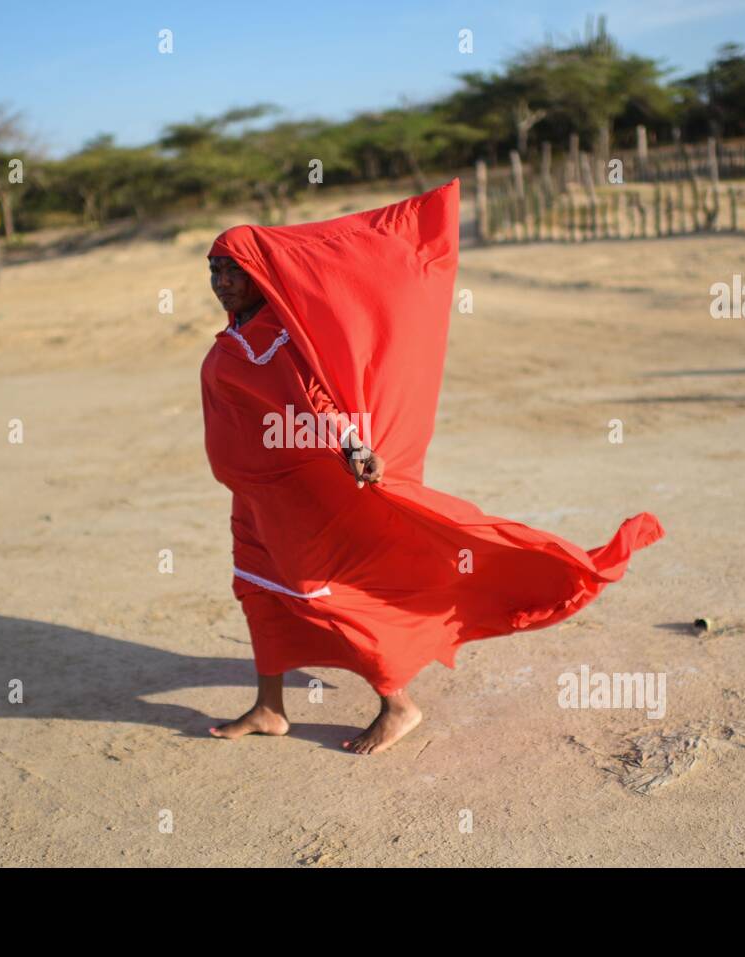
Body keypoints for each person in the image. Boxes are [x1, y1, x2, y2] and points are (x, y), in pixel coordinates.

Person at [200, 179, 663, 754]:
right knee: (256, 589)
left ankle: (398, 702)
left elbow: (319, 399)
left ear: (260, 273)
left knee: (322, 592)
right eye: (215, 271)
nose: (222, 284)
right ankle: (270, 708)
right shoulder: (233, 338)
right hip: (252, 498)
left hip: (302, 497)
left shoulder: (282, 340)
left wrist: (353, 447)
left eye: (232, 271)